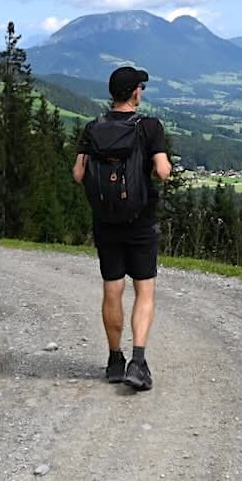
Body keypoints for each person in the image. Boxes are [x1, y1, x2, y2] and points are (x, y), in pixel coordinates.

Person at [73, 66, 171, 391]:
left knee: (112, 290)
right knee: (144, 290)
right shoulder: (149, 127)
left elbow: (78, 174)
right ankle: (138, 363)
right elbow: (162, 172)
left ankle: (115, 360)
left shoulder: (93, 128)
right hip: (141, 221)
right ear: (134, 93)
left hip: (105, 221)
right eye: (141, 87)